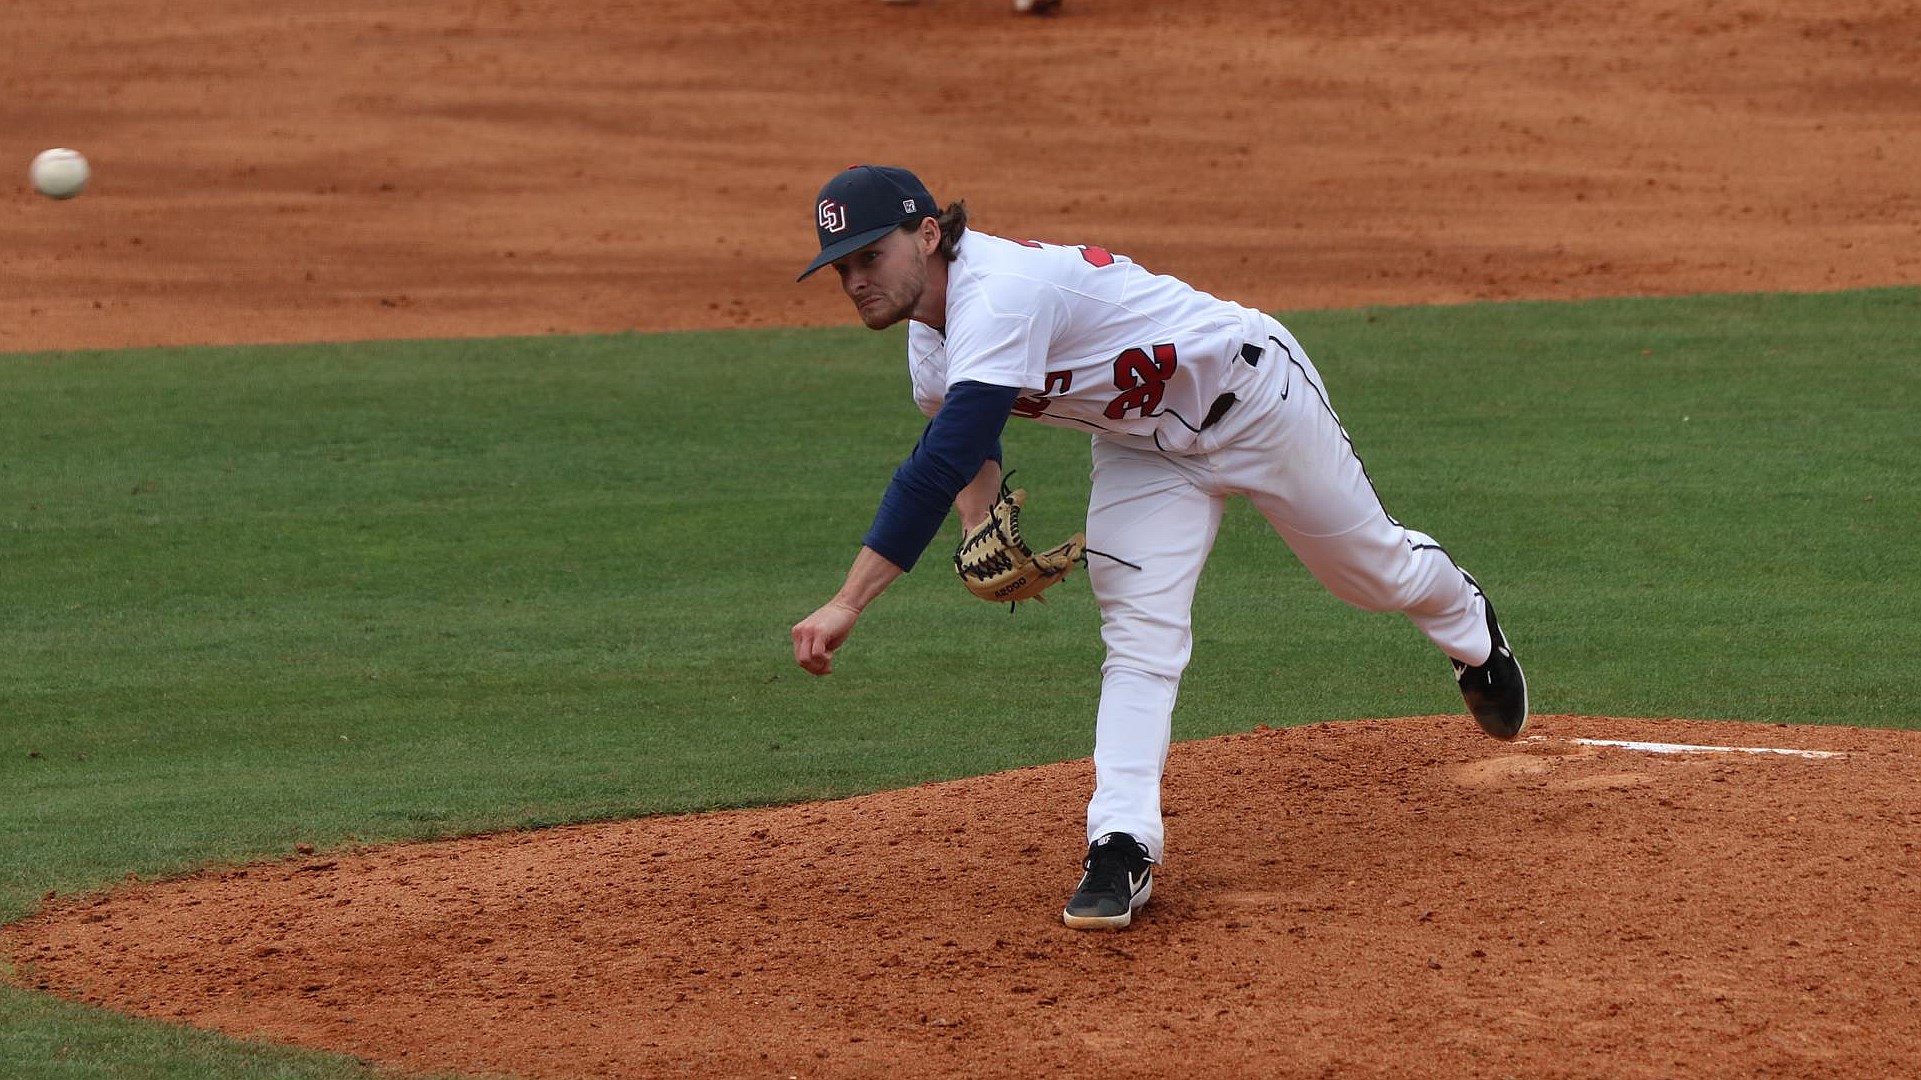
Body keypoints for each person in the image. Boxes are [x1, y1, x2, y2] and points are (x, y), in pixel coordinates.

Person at [789, 165, 1528, 931]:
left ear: (929, 235)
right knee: (1137, 634)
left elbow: (936, 463)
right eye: (841, 267)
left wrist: (849, 601)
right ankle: (1120, 844)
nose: (854, 279)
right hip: (1143, 452)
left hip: (1254, 402)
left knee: (1371, 574)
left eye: (870, 256)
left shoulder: (997, 291)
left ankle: (1465, 622)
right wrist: (979, 526)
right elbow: (965, 442)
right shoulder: (929, 341)